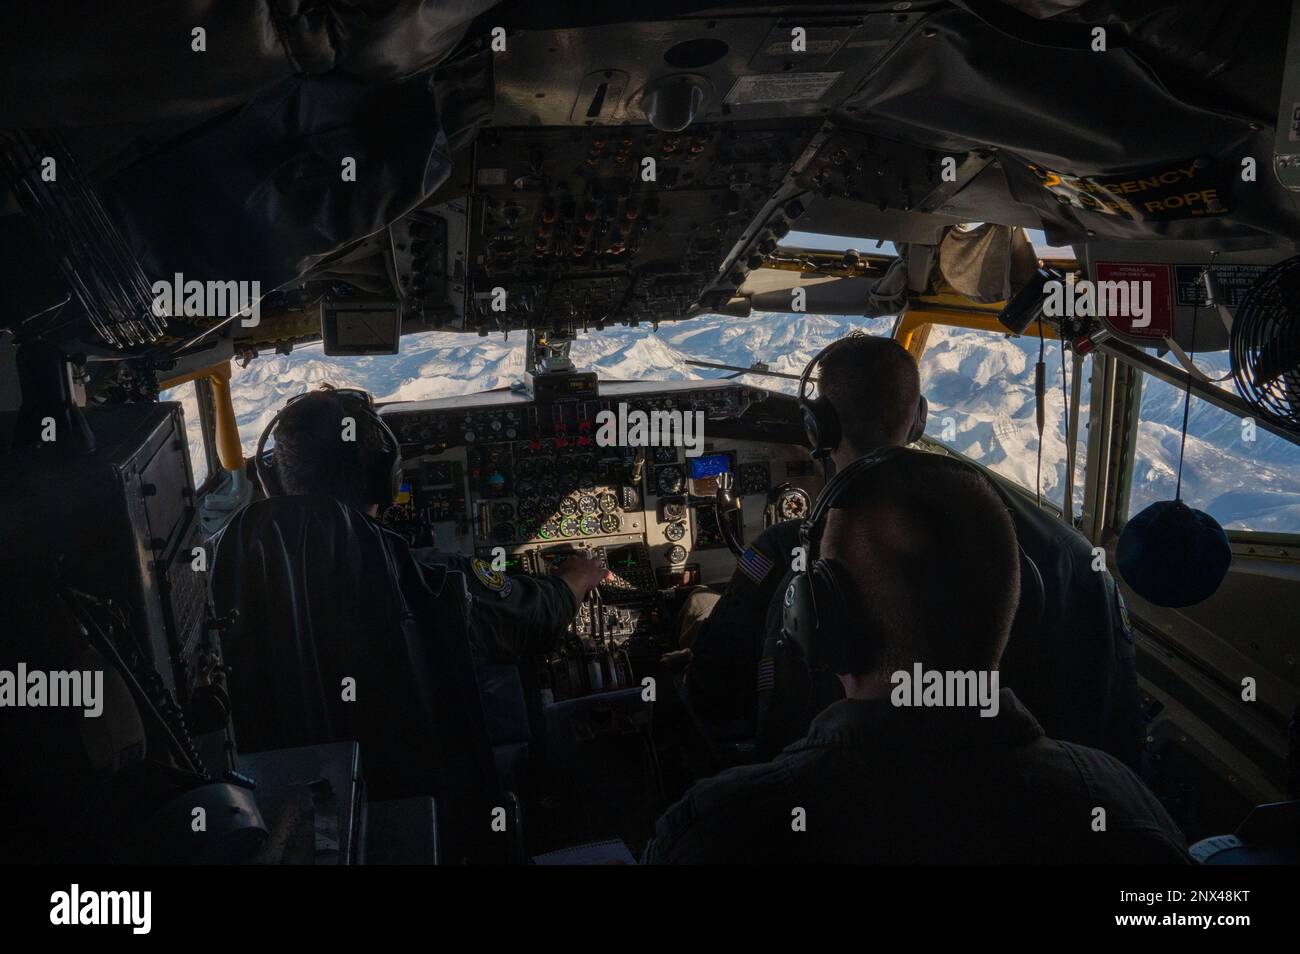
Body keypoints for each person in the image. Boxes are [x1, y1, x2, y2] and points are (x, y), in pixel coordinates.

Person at [645, 450, 1187, 864]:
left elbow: (711, 685)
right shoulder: (1120, 808)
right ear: (1017, 609)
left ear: (816, 620)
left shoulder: (719, 831)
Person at [684, 334, 1141, 769]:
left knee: (699, 603)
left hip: (817, 787)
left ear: (816, 425)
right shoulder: (1054, 555)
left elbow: (709, 690)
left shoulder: (787, 551)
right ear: (918, 417)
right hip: (993, 792)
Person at [267, 385, 607, 659]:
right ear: (388, 477)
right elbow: (535, 621)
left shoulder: (252, 582)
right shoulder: (428, 582)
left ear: (277, 485)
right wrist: (576, 578)